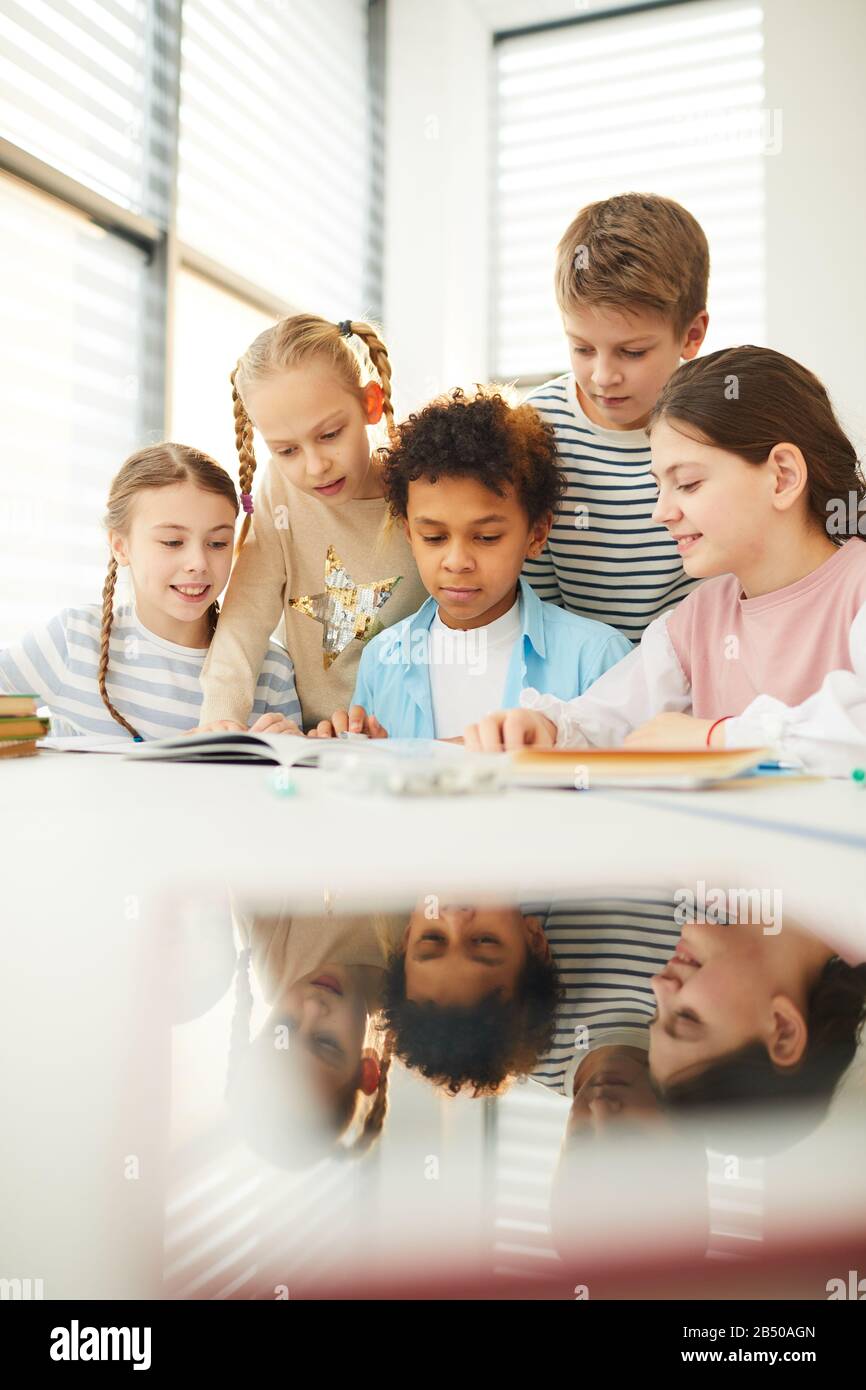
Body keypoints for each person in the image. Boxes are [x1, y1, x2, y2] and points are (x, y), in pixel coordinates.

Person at [466, 347, 866, 776]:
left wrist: (716, 737)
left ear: (782, 476)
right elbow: (609, 718)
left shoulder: (856, 588)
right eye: (660, 486)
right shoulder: (698, 620)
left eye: (688, 484)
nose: (662, 512)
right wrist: (544, 728)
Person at [314, 386, 630, 739]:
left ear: (537, 533)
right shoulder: (380, 659)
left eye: (487, 537)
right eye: (434, 538)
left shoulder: (596, 658)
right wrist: (359, 756)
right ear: (409, 534)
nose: (457, 562)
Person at [196, 315, 427, 732]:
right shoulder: (280, 492)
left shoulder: (425, 492)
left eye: (330, 434)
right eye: (286, 451)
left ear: (370, 404)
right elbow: (246, 616)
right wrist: (220, 719)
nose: (315, 466)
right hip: (318, 739)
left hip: (416, 735)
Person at [0, 443, 300, 739]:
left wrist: (283, 748)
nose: (198, 563)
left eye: (218, 543)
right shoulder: (74, 640)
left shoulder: (270, 668)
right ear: (121, 546)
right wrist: (46, 741)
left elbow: (287, 780)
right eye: (172, 542)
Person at [521, 192, 709, 641]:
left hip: (694, 669)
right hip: (573, 680)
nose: (603, 376)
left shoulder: (718, 427)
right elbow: (532, 599)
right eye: (582, 348)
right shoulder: (533, 430)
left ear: (692, 334)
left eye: (632, 352)